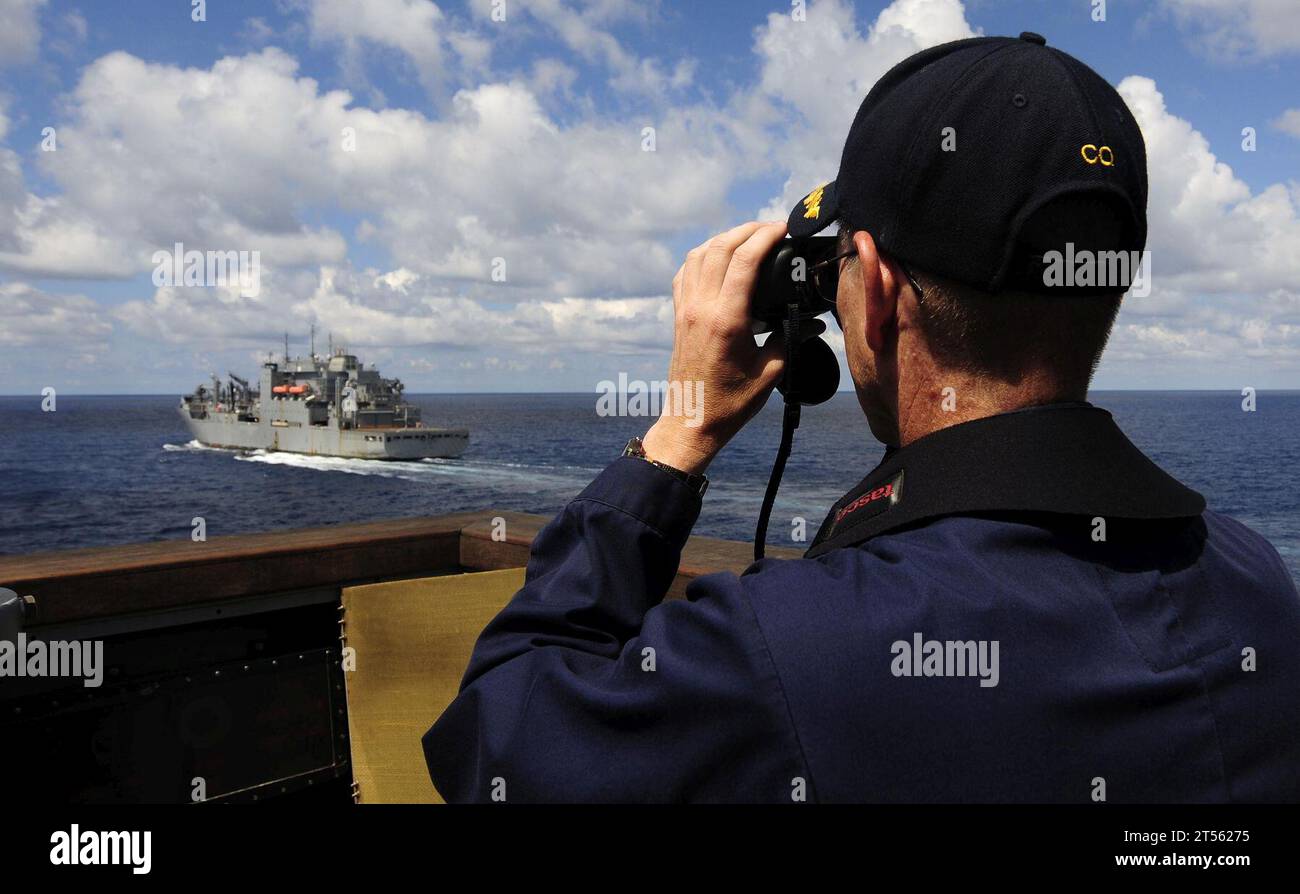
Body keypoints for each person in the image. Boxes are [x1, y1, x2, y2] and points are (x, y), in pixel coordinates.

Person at [422, 33, 1300, 802]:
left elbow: (498, 742)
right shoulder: (1257, 583)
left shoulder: (793, 657)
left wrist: (673, 439)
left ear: (873, 293)